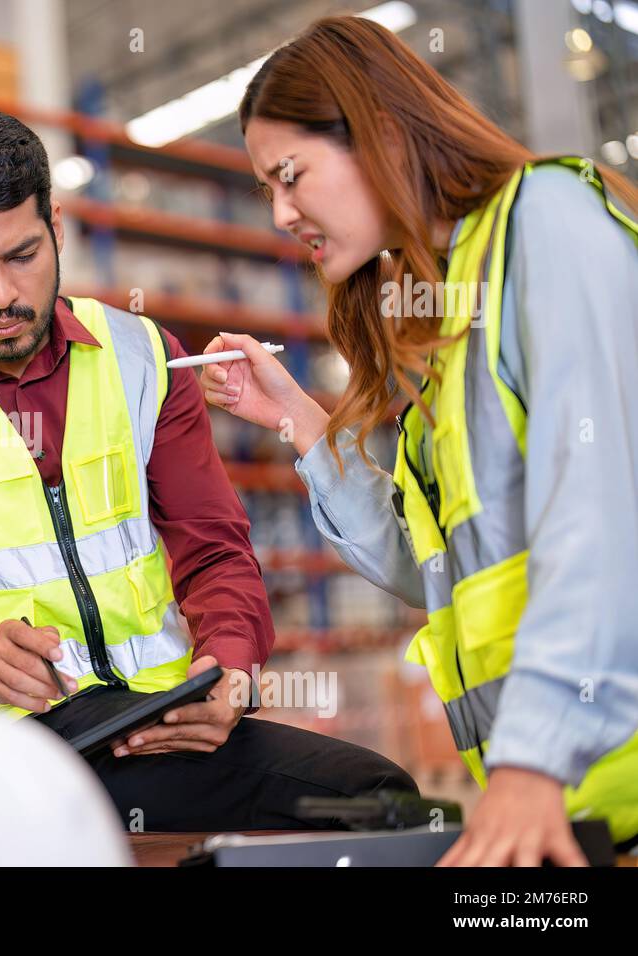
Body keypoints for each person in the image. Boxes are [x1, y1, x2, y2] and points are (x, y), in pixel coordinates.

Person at [0, 105, 416, 832]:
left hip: (153, 727)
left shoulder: (144, 358)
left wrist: (228, 670)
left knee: (379, 802)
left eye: (22, 256)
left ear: (57, 227)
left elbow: (215, 550)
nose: (0, 295)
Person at [201, 16, 638, 864]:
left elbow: (603, 521)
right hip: (583, 816)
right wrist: (301, 423)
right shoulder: (451, 314)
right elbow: (435, 572)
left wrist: (531, 763)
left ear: (383, 134)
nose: (282, 213)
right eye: (265, 191)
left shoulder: (545, 222)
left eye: (290, 176)